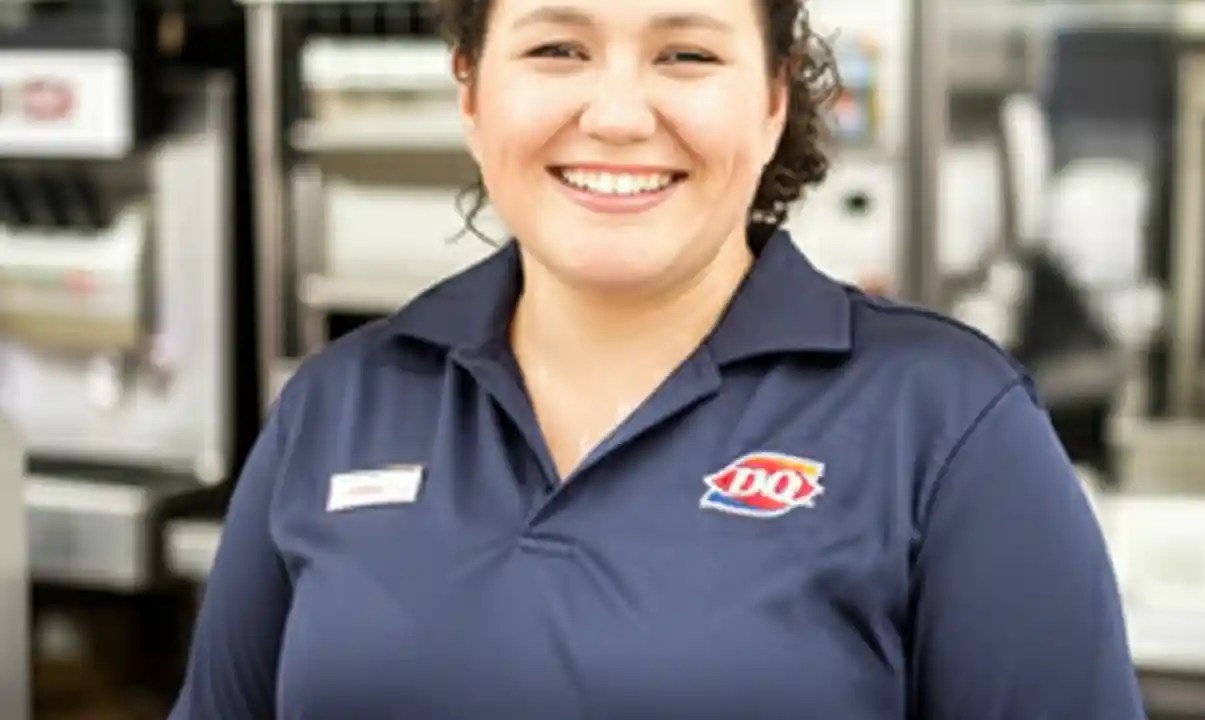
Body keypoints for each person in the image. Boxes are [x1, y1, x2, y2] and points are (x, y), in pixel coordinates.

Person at [170, 1, 1147, 717]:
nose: (618, 114)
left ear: (773, 100)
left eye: (686, 54)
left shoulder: (948, 427)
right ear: (470, 91)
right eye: (557, 49)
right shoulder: (339, 405)